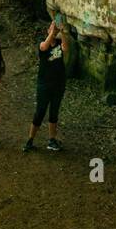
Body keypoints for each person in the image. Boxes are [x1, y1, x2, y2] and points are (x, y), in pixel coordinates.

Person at [23, 9, 69, 153]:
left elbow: (66, 48)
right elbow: (44, 46)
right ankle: (30, 140)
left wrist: (63, 31)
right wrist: (52, 31)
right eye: (51, 27)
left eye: (54, 27)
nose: (53, 29)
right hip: (44, 85)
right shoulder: (42, 44)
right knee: (40, 112)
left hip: (58, 84)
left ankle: (52, 140)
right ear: (48, 30)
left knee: (54, 113)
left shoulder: (60, 42)